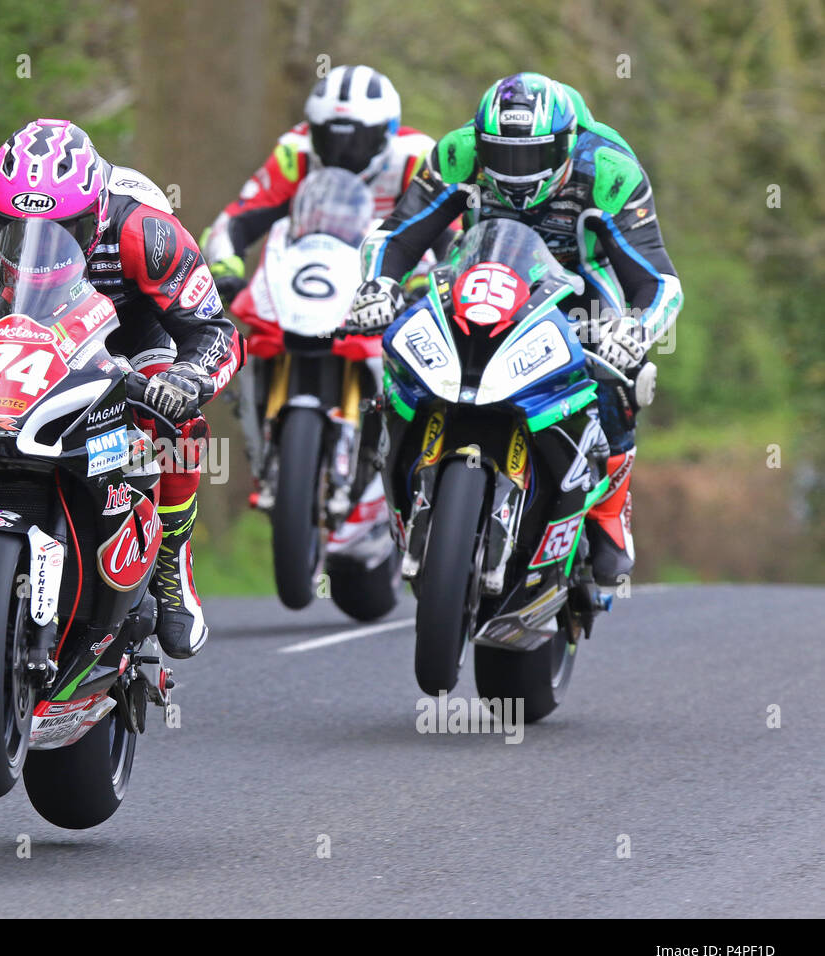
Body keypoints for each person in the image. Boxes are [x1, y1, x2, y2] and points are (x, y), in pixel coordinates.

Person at [0, 119, 242, 658]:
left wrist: (189, 377)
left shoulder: (148, 234)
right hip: (11, 328)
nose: (39, 249)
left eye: (62, 230)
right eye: (15, 231)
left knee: (175, 426)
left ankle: (170, 563)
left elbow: (214, 331)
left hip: (129, 335)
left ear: (95, 214)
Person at [350, 72, 683, 585]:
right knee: (399, 334)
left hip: (580, 279)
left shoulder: (610, 171)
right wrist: (378, 287)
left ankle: (608, 511)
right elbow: (396, 234)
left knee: (621, 370)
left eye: (531, 157)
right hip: (480, 272)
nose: (515, 172)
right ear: (481, 143)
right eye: (501, 156)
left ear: (567, 144)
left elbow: (658, 278)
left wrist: (636, 329)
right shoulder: (457, 153)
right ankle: (392, 461)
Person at [201, 63, 446, 304]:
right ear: (311, 130)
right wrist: (225, 270)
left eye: (356, 140)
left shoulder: (417, 158)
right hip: (302, 286)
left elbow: (450, 235)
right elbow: (236, 220)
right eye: (328, 137)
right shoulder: (295, 152)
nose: (340, 152)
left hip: (388, 294)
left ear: (387, 131)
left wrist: (431, 287)